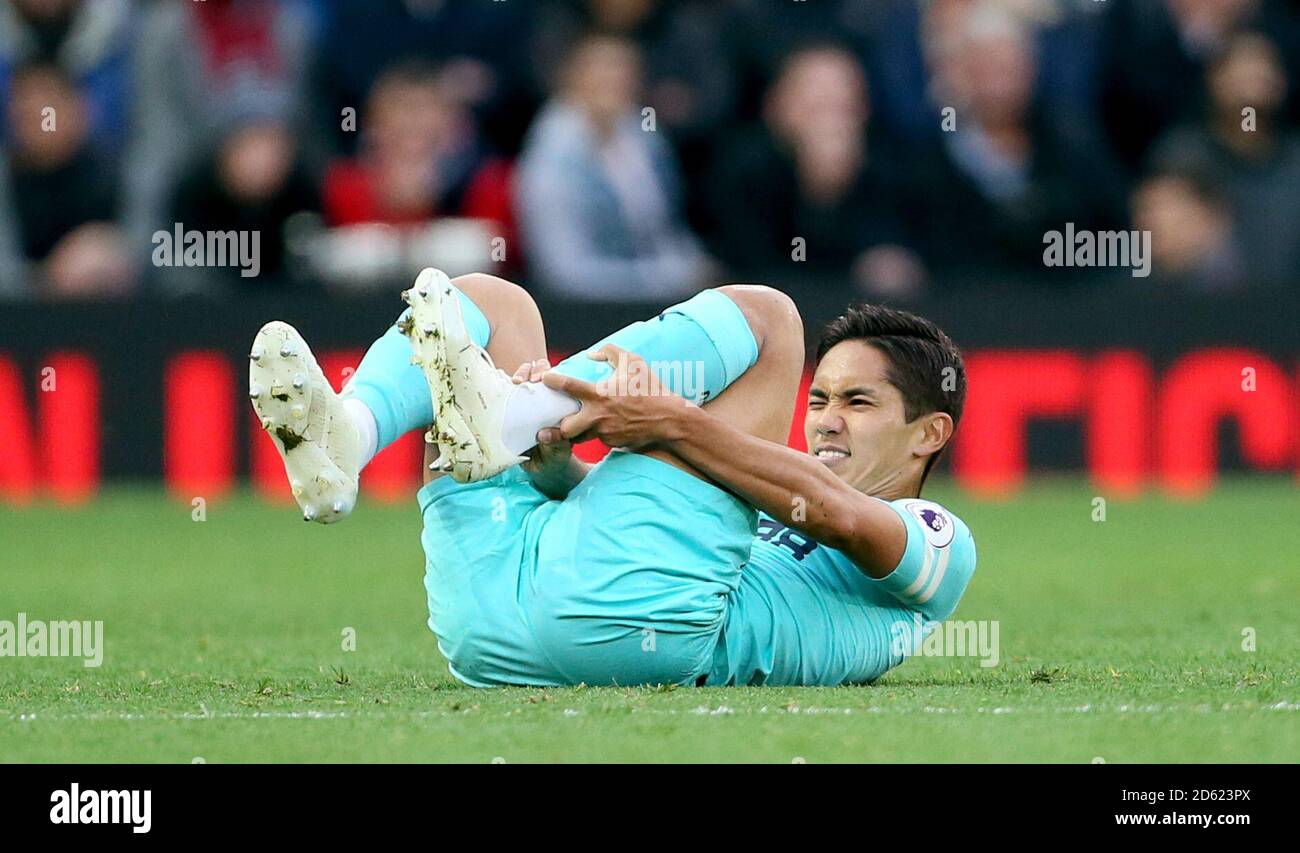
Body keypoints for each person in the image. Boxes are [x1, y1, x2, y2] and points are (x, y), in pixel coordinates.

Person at [246, 269, 977, 686]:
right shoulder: (746, 501)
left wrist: (662, 417)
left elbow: (840, 517)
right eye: (818, 399)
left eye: (857, 402)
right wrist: (558, 468)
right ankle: (352, 436)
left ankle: (537, 405)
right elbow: (615, 531)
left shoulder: (939, 540)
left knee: (772, 319)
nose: (823, 420)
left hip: (644, 630)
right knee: (494, 304)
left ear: (930, 433)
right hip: (486, 628)